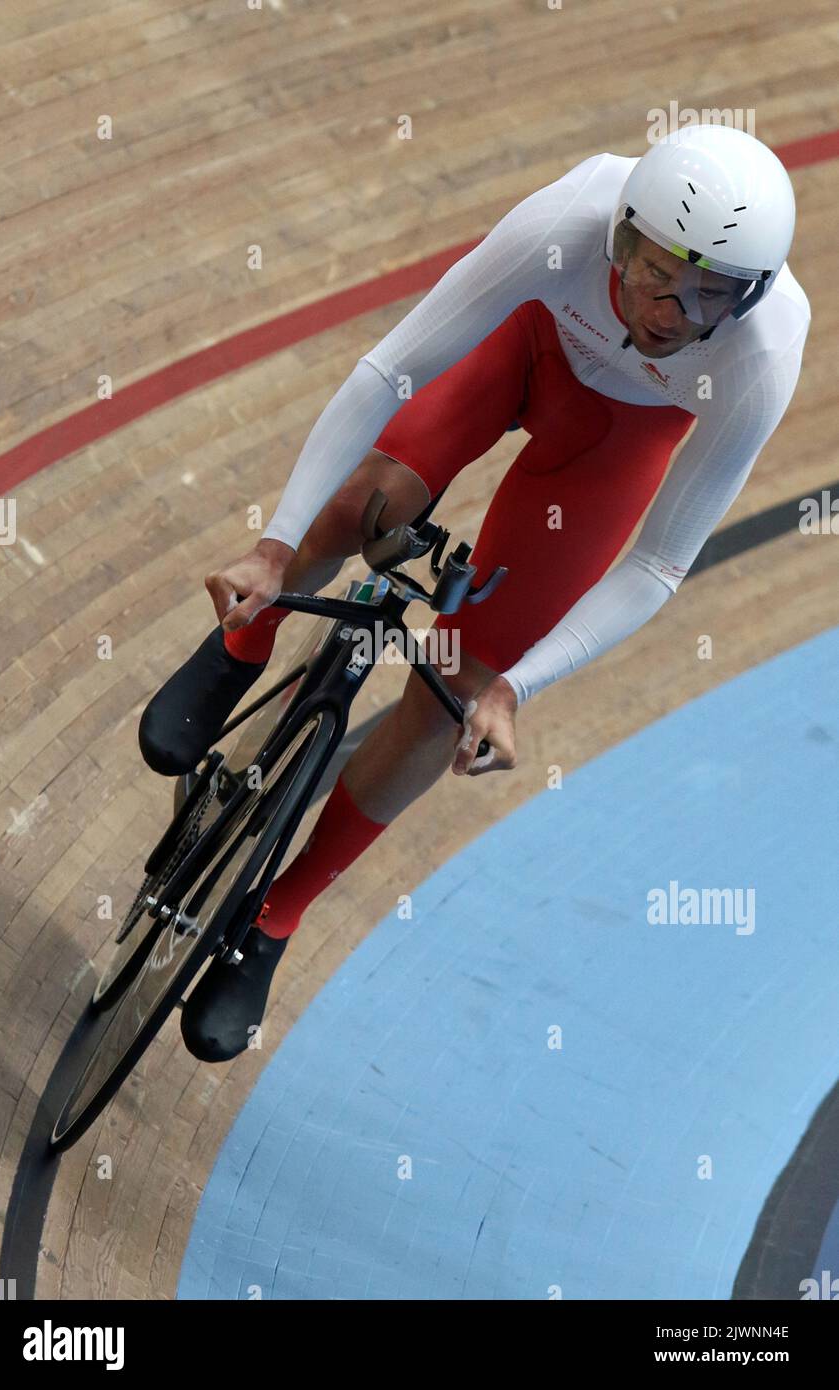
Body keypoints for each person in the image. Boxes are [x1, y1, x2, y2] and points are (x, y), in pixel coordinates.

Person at [138, 123, 810, 1062]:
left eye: (707, 293)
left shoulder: (764, 356)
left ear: (753, 297)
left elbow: (659, 562)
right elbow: (390, 369)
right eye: (654, 268)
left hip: (612, 442)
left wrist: (512, 689)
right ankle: (248, 637)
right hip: (523, 354)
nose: (667, 306)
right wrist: (271, 545)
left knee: (454, 684)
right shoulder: (569, 219)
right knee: (365, 506)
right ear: (619, 234)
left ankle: (277, 919)